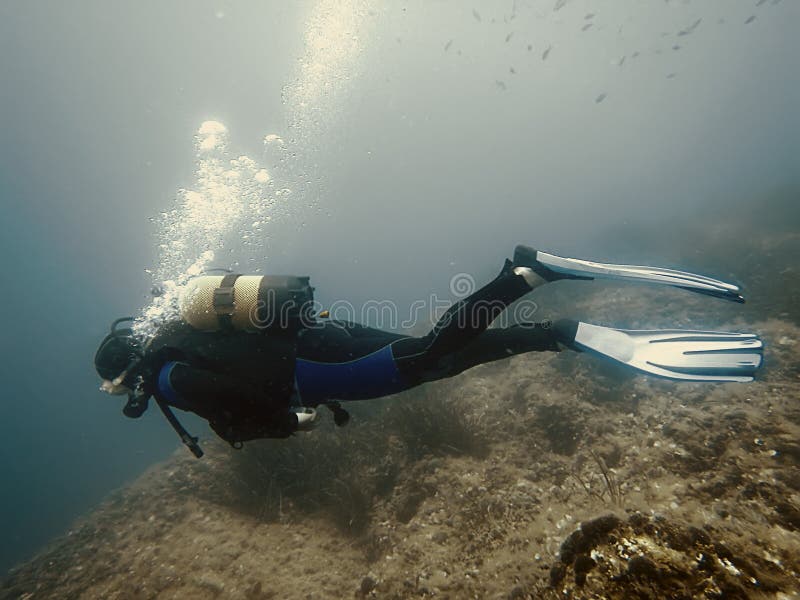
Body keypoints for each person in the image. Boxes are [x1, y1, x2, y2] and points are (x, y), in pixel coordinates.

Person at [94, 245, 763, 457]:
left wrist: (283, 425)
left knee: (429, 361)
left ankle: (526, 275)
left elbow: (235, 400)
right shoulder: (186, 337)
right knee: (438, 352)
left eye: (120, 387)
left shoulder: (171, 376)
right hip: (315, 336)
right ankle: (556, 333)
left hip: (312, 368)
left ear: (126, 373)